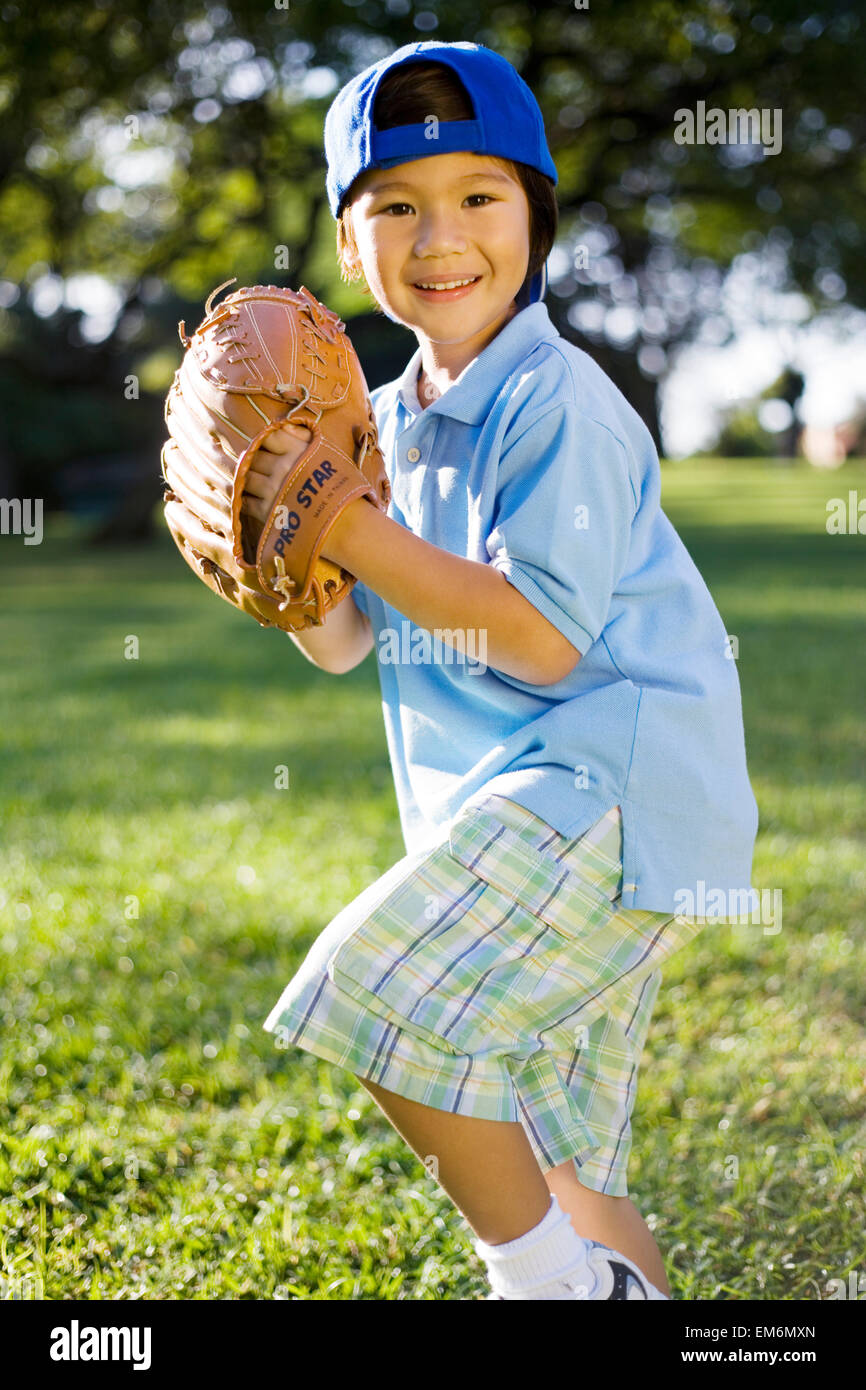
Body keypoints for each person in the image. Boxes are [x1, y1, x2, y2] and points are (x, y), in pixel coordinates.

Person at [248, 40, 759, 1300]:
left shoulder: (559, 400)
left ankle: (551, 1288)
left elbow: (533, 635)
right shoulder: (369, 419)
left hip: (611, 795)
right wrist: (278, 567)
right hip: (518, 808)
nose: (442, 237)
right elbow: (344, 639)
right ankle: (602, 1279)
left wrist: (345, 520)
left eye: (480, 195)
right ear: (348, 244)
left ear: (534, 211)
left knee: (375, 992)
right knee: (565, 1162)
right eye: (396, 208)